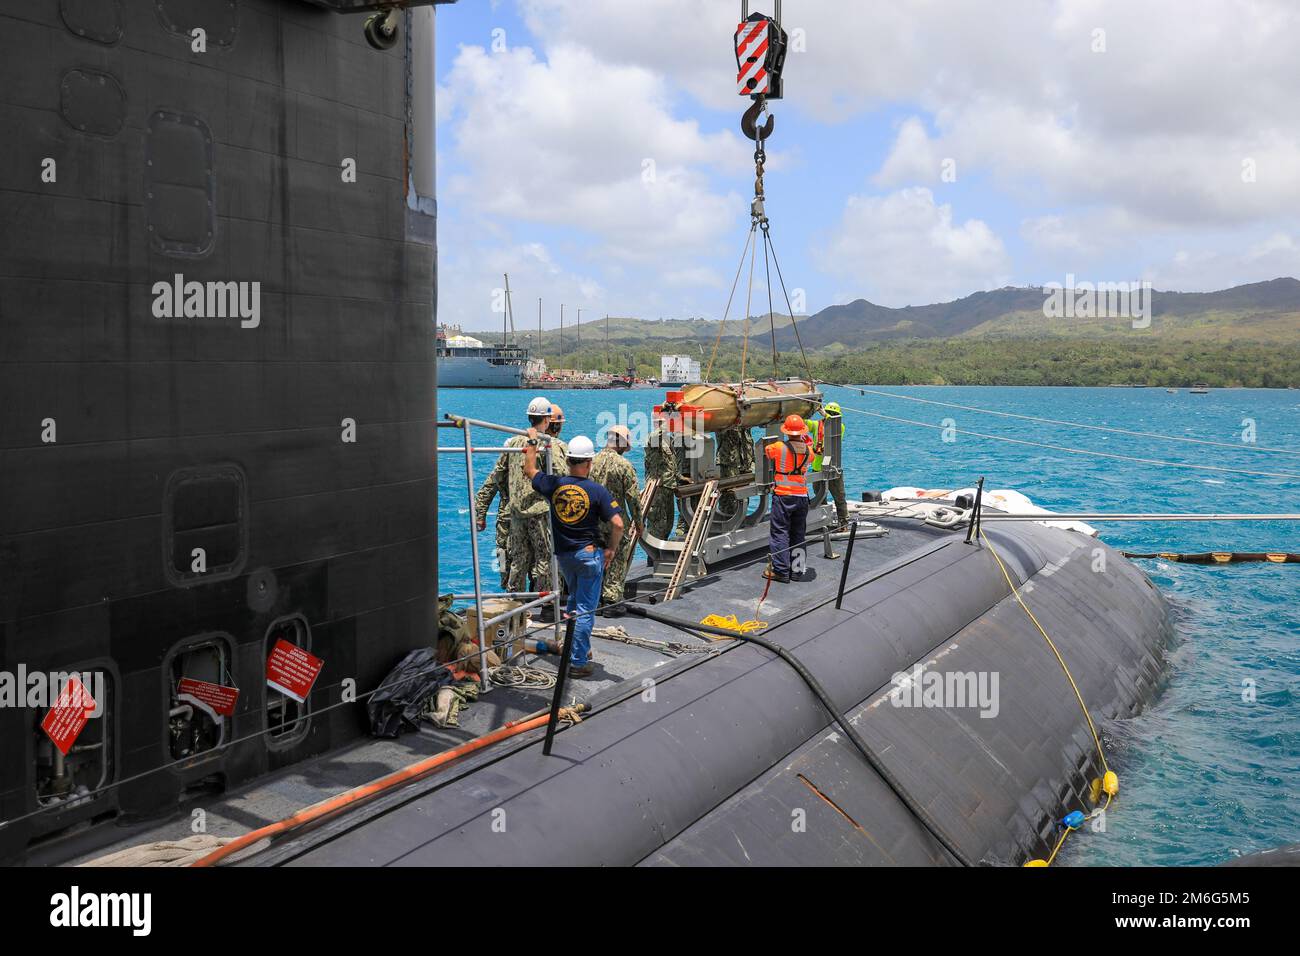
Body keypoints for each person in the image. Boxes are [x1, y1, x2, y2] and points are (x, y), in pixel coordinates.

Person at [523, 432, 624, 679]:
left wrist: (532, 442)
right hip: (589, 556)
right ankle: (578, 662)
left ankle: (576, 648)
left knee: (573, 603)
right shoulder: (597, 491)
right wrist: (611, 549)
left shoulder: (553, 485)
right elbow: (618, 524)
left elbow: (529, 469)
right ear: (588, 463)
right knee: (585, 610)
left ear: (568, 460)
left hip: (565, 557)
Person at [474, 396, 559, 599]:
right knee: (542, 557)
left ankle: (514, 601)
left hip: (512, 512)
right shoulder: (548, 444)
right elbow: (560, 474)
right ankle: (546, 603)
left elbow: (492, 479)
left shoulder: (514, 443)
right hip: (536, 511)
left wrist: (480, 512)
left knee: (515, 559)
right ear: (546, 420)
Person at [590, 425, 642, 613]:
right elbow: (633, 498)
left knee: (595, 559)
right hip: (615, 522)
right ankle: (611, 600)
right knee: (617, 557)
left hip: (593, 521)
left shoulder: (591, 461)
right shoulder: (624, 466)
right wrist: (639, 522)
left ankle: (594, 599)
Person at [763, 415, 812, 583]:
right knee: (798, 533)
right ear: (802, 432)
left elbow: (766, 451)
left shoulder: (778, 447)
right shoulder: (808, 451)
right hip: (802, 497)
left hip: (784, 496)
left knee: (780, 533)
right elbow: (810, 456)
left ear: (786, 430)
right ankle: (797, 571)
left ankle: (781, 571)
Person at [808, 401, 848, 531]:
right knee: (820, 499)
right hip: (818, 469)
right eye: (830, 413)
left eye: (833, 414)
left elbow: (834, 422)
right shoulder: (816, 425)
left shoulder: (840, 427)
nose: (830, 416)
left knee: (839, 497)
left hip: (833, 468)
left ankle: (843, 522)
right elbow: (803, 423)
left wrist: (824, 413)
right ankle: (823, 522)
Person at [643, 414, 683, 540]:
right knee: (657, 525)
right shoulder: (652, 439)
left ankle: (662, 551)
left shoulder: (668, 441)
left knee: (667, 524)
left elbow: (671, 465)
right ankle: (653, 557)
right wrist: (667, 420)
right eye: (659, 422)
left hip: (668, 488)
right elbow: (656, 436)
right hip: (657, 489)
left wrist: (679, 479)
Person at [716, 425, 755, 518]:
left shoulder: (745, 415)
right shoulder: (726, 417)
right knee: (729, 497)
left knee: (744, 498)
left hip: (745, 461)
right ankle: (725, 521)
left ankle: (740, 520)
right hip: (729, 462)